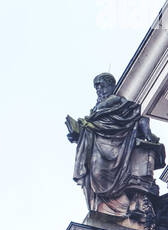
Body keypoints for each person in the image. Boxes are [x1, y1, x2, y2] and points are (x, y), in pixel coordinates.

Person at [65, 73, 161, 219]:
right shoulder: (97, 107)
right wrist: (78, 133)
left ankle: (122, 209)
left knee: (98, 172)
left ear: (111, 86)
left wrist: (88, 126)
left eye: (102, 86)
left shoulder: (117, 101)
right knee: (92, 175)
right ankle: (107, 209)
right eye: (97, 88)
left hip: (116, 144)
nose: (99, 91)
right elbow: (96, 125)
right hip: (98, 143)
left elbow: (135, 117)